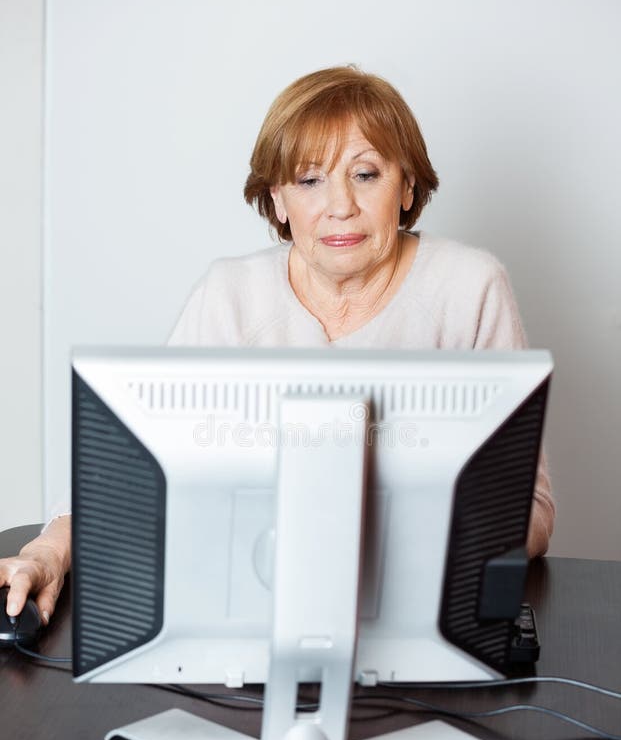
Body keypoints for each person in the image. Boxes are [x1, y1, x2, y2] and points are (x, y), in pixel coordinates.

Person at [0, 65, 555, 623]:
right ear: (279, 201)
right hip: (248, 611)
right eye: (310, 181)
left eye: (365, 174)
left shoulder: (470, 287)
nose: (340, 205)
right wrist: (48, 552)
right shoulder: (230, 294)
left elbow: (530, 509)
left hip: (416, 614)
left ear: (407, 185)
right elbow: (131, 472)